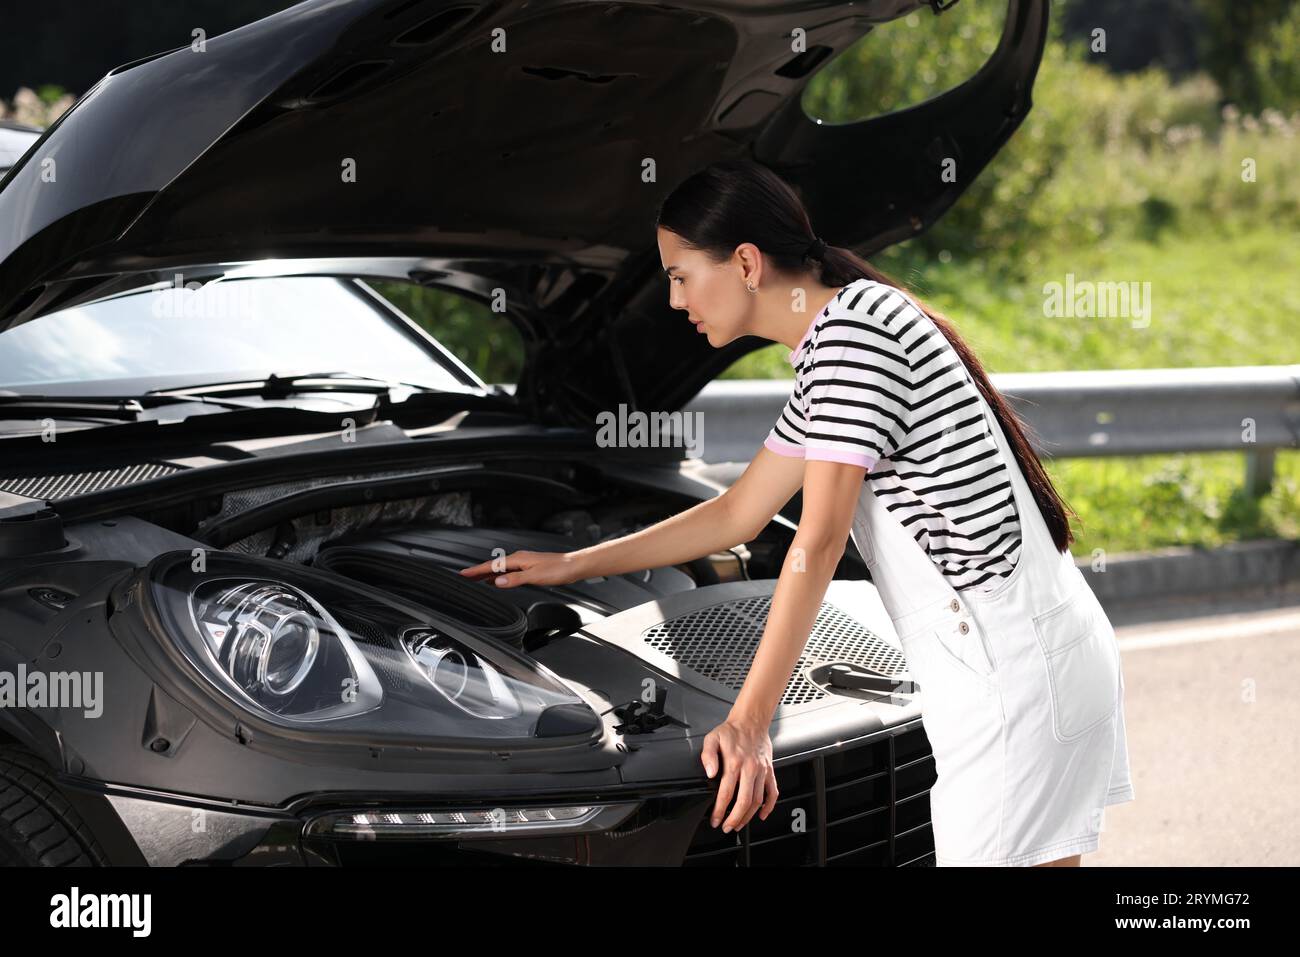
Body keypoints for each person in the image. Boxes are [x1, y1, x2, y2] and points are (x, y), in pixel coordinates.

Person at [459, 159, 1135, 867]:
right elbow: (737, 515)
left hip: (1012, 678)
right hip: (1041, 652)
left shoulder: (849, 345)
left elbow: (815, 540)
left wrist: (749, 723)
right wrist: (572, 562)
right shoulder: (847, 334)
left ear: (746, 262)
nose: (674, 300)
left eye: (680, 276)